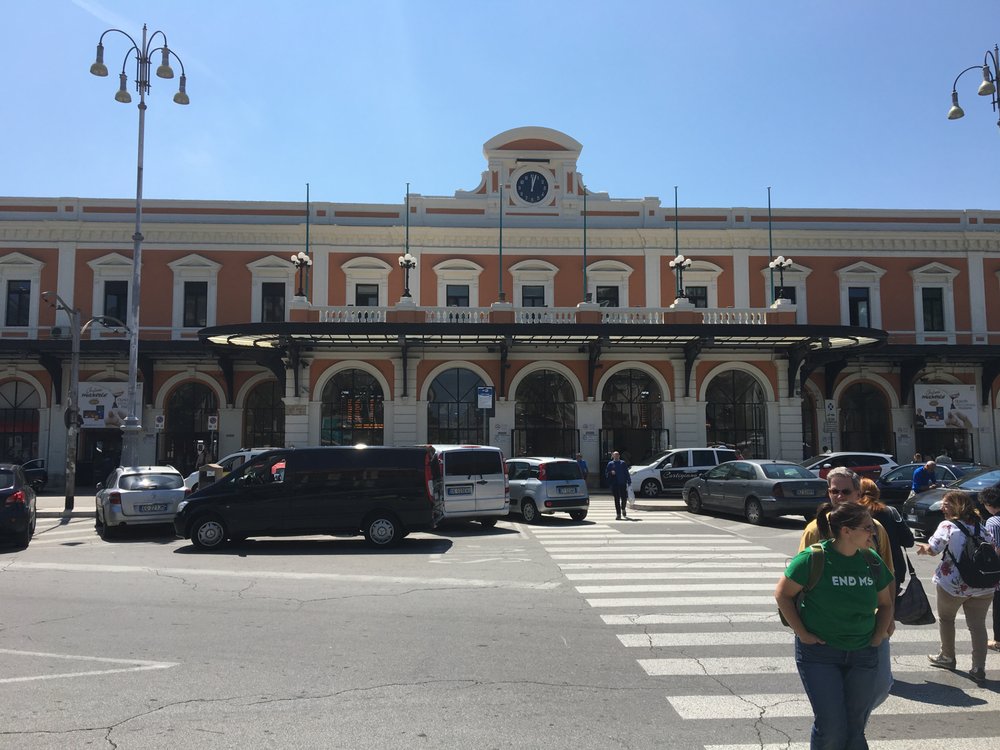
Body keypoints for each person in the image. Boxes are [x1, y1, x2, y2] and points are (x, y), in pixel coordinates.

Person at [776, 501, 894, 750]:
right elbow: (782, 595)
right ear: (846, 531)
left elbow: (886, 602)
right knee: (831, 727)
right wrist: (803, 634)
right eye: (867, 527)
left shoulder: (870, 560)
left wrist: (877, 637)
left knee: (855, 727)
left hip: (863, 653)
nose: (872, 532)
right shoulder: (814, 558)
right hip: (820, 653)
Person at [799, 466, 895, 709]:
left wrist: (888, 617)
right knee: (832, 705)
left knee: (880, 687)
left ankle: (851, 725)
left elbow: (888, 575)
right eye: (833, 491)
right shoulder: (815, 529)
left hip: (868, 625)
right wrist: (802, 629)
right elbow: (797, 582)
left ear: (858, 493)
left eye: (845, 491)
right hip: (826, 628)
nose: (838, 496)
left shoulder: (874, 528)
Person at [916, 490, 996, 682]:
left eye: (945, 503)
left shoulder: (948, 525)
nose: (942, 506)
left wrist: (923, 550)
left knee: (946, 619)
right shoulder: (981, 527)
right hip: (984, 585)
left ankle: (947, 657)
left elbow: (934, 550)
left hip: (954, 585)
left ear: (956, 505)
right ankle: (978, 668)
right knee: (977, 627)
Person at [860, 477, 914, 592]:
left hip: (864, 572)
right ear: (877, 493)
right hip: (893, 569)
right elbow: (909, 541)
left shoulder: (853, 514)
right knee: (889, 607)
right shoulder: (891, 511)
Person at [980, 487, 1000, 652]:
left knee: (999, 605)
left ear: (988, 504)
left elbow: (996, 548)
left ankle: (998, 640)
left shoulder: (993, 522)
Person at [605, 450, 631, 520]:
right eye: (615, 455)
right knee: (616, 499)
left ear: (619, 456)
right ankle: (618, 514)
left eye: (617, 455)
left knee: (624, 498)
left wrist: (629, 481)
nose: (616, 456)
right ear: (613, 456)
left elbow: (626, 472)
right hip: (615, 484)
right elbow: (606, 473)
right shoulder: (610, 464)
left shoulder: (623, 463)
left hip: (622, 483)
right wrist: (611, 472)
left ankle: (623, 508)